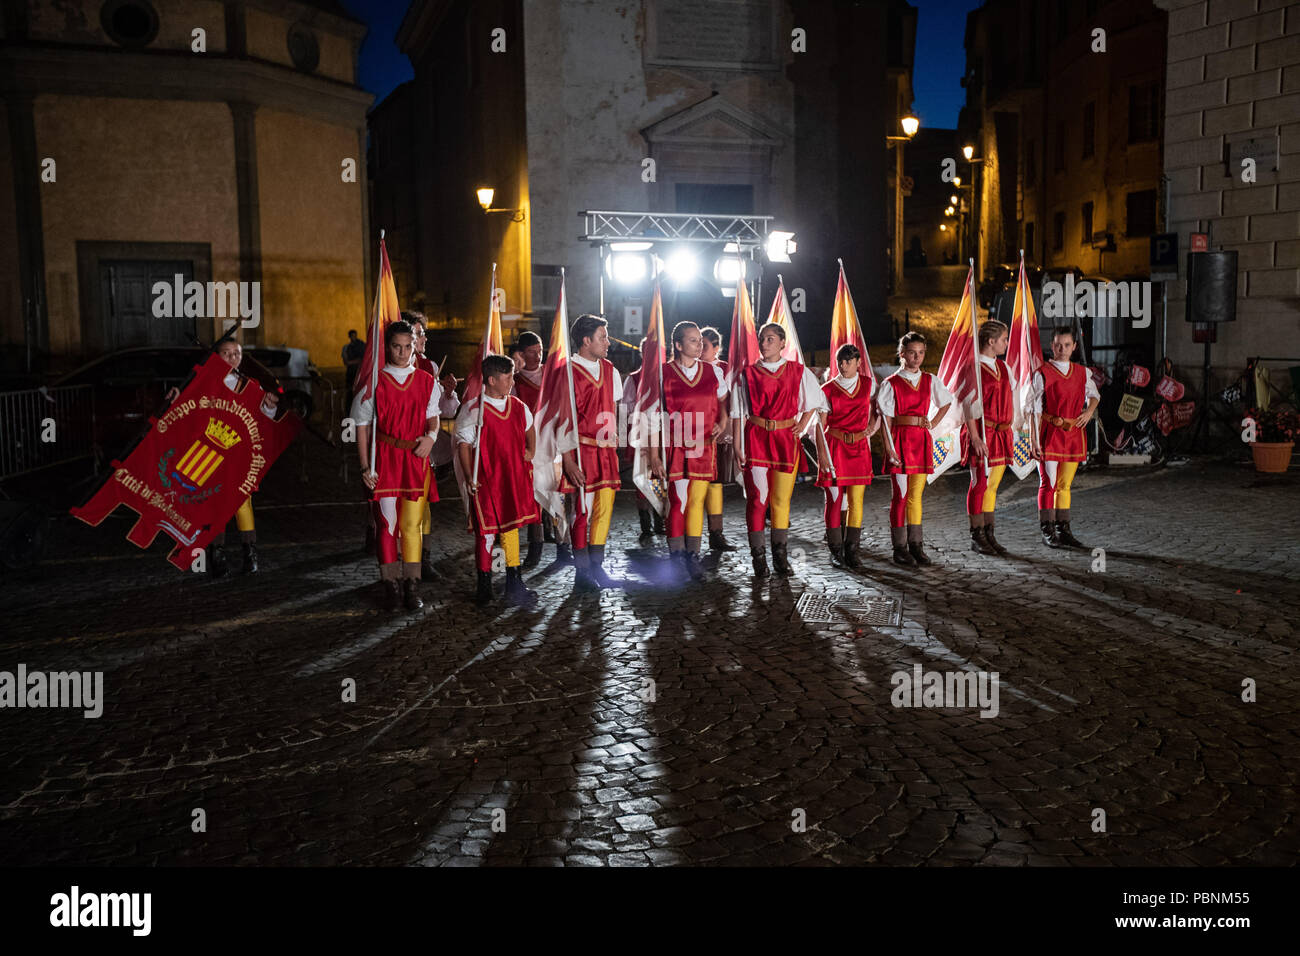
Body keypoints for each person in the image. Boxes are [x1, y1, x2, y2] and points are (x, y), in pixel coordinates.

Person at [166, 337, 280, 576]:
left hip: (238, 454)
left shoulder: (251, 385)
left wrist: (269, 405)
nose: (231, 358)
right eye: (226, 353)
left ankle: (250, 552)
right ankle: (217, 552)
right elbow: (187, 410)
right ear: (216, 357)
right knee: (215, 503)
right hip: (210, 452)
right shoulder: (204, 382)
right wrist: (177, 397)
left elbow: (262, 418)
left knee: (242, 503)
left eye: (236, 353)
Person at [350, 320, 442, 611]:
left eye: (408, 346)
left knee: (411, 525)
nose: (403, 352)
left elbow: (433, 417)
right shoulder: (374, 383)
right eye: (396, 346)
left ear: (415, 345)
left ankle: (411, 585)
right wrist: (365, 467)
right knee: (387, 526)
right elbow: (362, 427)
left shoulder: (427, 381)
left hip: (415, 460)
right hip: (384, 460)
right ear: (387, 347)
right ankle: (390, 584)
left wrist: (431, 436)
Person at [732, 322, 829, 578]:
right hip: (756, 437)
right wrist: (737, 446)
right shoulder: (748, 374)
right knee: (757, 499)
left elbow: (815, 401)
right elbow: (737, 411)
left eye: (771, 339)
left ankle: (780, 557)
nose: (765, 344)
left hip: (785, 438)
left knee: (780, 500)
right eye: (762, 339)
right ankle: (758, 559)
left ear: (783, 343)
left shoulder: (798, 371)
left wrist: (803, 423)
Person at [456, 354, 540, 607]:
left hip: (512, 478)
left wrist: (531, 451)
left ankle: (515, 582)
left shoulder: (518, 406)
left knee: (512, 528)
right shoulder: (474, 410)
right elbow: (463, 446)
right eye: (506, 379)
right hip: (487, 481)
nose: (511, 383)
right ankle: (484, 585)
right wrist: (471, 476)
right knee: (487, 533)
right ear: (491, 380)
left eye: (512, 377)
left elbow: (530, 428)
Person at [648, 321, 729, 581]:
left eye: (700, 340)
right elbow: (651, 417)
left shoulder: (713, 372)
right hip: (677, 447)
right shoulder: (663, 374)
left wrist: (722, 421)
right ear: (679, 345)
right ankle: (676, 555)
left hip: (704, 446)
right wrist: (653, 455)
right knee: (678, 501)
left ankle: (692, 556)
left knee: (696, 502)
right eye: (693, 340)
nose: (700, 344)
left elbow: (722, 403)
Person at [877, 332, 953, 567]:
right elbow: (886, 421)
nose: (917, 357)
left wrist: (933, 422)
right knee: (900, 496)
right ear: (902, 354)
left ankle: (916, 545)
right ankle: (899, 548)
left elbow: (946, 402)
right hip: (900, 441)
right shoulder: (891, 384)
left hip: (920, 441)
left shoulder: (930, 380)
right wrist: (889, 448)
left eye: (921, 352)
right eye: (912, 352)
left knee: (916, 496)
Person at [561, 313, 624, 592]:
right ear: (586, 341)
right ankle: (582, 573)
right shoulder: (567, 372)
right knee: (582, 512)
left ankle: (597, 567)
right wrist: (568, 461)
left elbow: (614, 406)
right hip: (581, 450)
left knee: (604, 509)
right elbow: (560, 421)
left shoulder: (611, 369)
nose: (608, 343)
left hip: (606, 451)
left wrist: (615, 436)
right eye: (603, 337)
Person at [1027, 325, 1099, 548]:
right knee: (1048, 483)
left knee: (1065, 484)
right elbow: (1033, 408)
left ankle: (1063, 529)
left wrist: (1088, 412)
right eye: (1058, 344)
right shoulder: (1043, 373)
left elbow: (1094, 395)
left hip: (1073, 434)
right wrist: (1034, 439)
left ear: (1074, 347)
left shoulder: (1082, 372)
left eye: (1067, 345)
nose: (1062, 348)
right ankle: (1047, 530)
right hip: (1050, 433)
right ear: (1052, 345)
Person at [404, 312, 460, 580]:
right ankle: (396, 567)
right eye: (418, 333)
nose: (423, 338)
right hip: (396, 448)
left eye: (423, 333)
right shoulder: (384, 368)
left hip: (423, 451)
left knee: (423, 506)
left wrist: (448, 393)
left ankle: (422, 563)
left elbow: (441, 412)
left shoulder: (430, 367)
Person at [816, 344, 878, 569]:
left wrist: (872, 426)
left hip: (859, 448)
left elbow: (878, 410)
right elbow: (819, 425)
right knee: (834, 500)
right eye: (840, 362)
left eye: (848, 362)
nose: (843, 366)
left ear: (858, 362)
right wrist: (822, 454)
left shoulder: (869, 385)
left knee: (856, 500)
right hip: (835, 447)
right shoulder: (827, 389)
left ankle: (852, 550)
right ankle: (835, 550)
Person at [962, 319, 1014, 555]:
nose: (1006, 343)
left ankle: (989, 533)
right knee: (979, 484)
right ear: (991, 341)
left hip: (1001, 432)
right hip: (983, 433)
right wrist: (974, 437)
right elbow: (967, 403)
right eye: (1004, 339)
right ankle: (977, 534)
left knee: (992, 486)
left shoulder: (1003, 367)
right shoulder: (974, 367)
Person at [510, 330, 549, 567]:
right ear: (522, 353)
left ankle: (562, 544)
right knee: (533, 494)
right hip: (529, 443)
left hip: (550, 441)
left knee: (553, 491)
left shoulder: (550, 375)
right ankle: (535, 544)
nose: (537, 356)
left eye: (540, 351)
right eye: (532, 352)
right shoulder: (513, 380)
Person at [622, 336, 665, 542]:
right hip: (641, 435)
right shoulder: (633, 378)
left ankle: (659, 518)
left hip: (664, 435)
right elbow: (627, 409)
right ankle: (645, 522)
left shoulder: (667, 377)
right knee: (643, 476)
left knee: (660, 477)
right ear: (642, 354)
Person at [699, 326, 737, 552]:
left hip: (717, 434)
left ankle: (716, 533)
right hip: (693, 433)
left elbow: (728, 402)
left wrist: (726, 428)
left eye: (705, 346)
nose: (700, 350)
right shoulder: (689, 367)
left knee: (715, 483)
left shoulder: (724, 369)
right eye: (698, 344)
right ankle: (686, 535)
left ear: (716, 348)